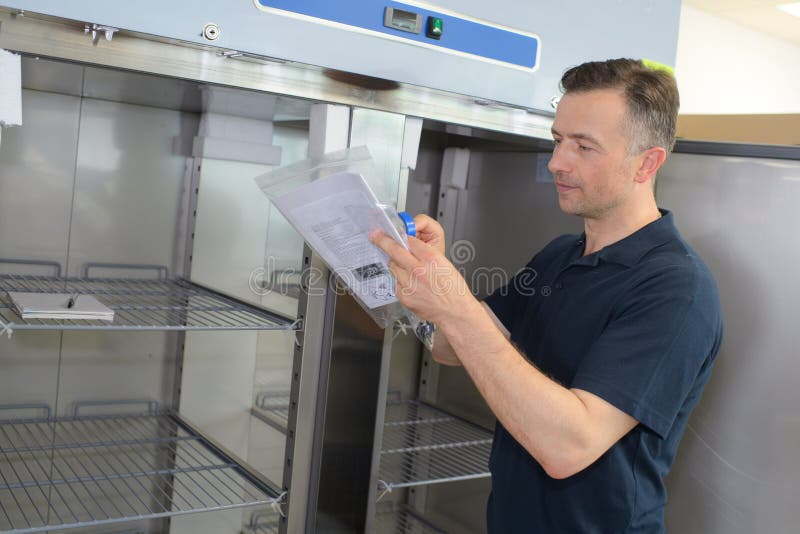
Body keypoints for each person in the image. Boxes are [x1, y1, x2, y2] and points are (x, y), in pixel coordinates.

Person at [371, 58, 723, 533]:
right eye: (558, 141)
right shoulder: (560, 255)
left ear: (647, 163)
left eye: (584, 146)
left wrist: (455, 304)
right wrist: (432, 276)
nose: (557, 162)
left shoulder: (676, 289)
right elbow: (450, 347)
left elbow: (567, 448)